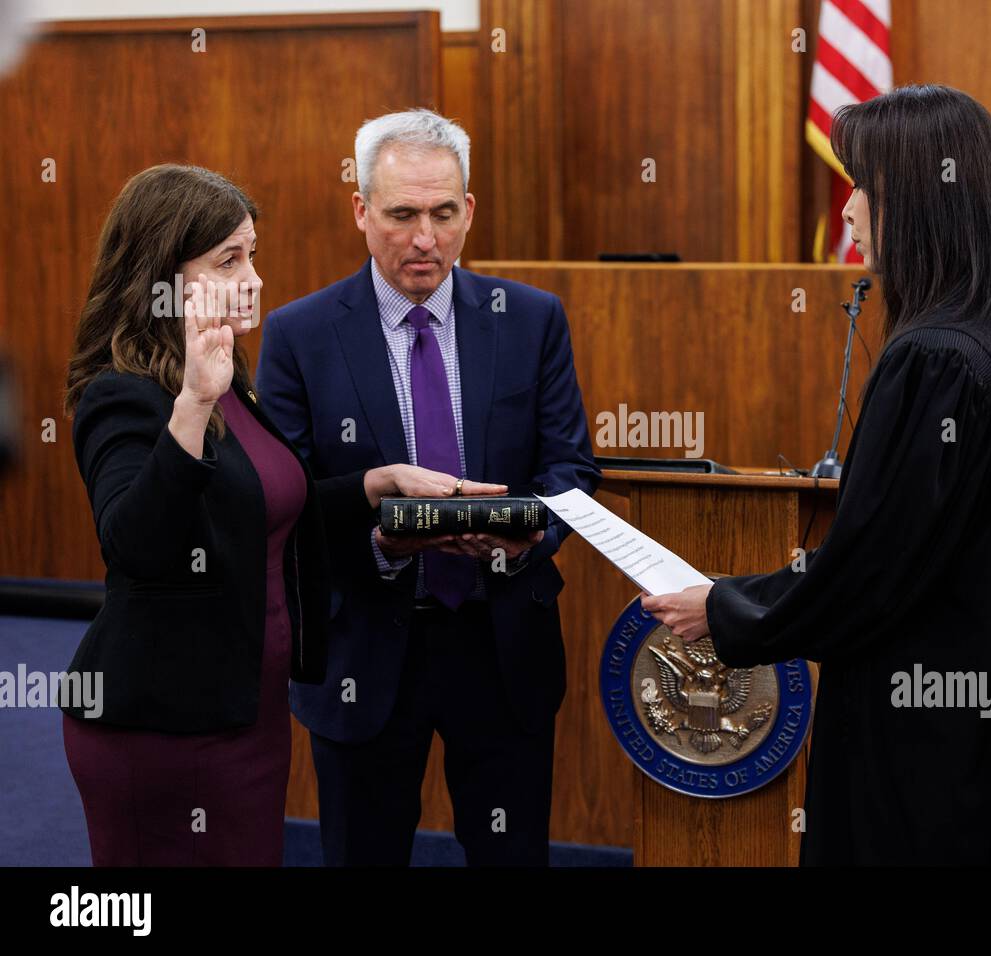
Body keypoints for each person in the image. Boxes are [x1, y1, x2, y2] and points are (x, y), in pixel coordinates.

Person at [642, 85, 991, 866]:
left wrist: (727, 608)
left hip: (928, 756)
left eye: (860, 188)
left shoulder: (932, 360)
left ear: (918, 200)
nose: (848, 214)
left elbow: (871, 573)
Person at [61, 164, 489, 866]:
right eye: (230, 259)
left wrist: (377, 484)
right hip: (164, 725)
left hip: (248, 711)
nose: (255, 278)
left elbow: (253, 509)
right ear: (162, 275)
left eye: (253, 254)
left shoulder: (225, 373)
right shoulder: (127, 393)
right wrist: (193, 405)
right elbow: (136, 543)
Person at [255, 109, 599, 867]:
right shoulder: (299, 335)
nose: (425, 239)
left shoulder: (532, 320)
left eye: (444, 214)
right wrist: (379, 538)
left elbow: (572, 470)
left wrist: (525, 534)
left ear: (468, 209)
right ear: (360, 210)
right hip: (366, 648)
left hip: (500, 641)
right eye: (402, 214)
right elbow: (284, 502)